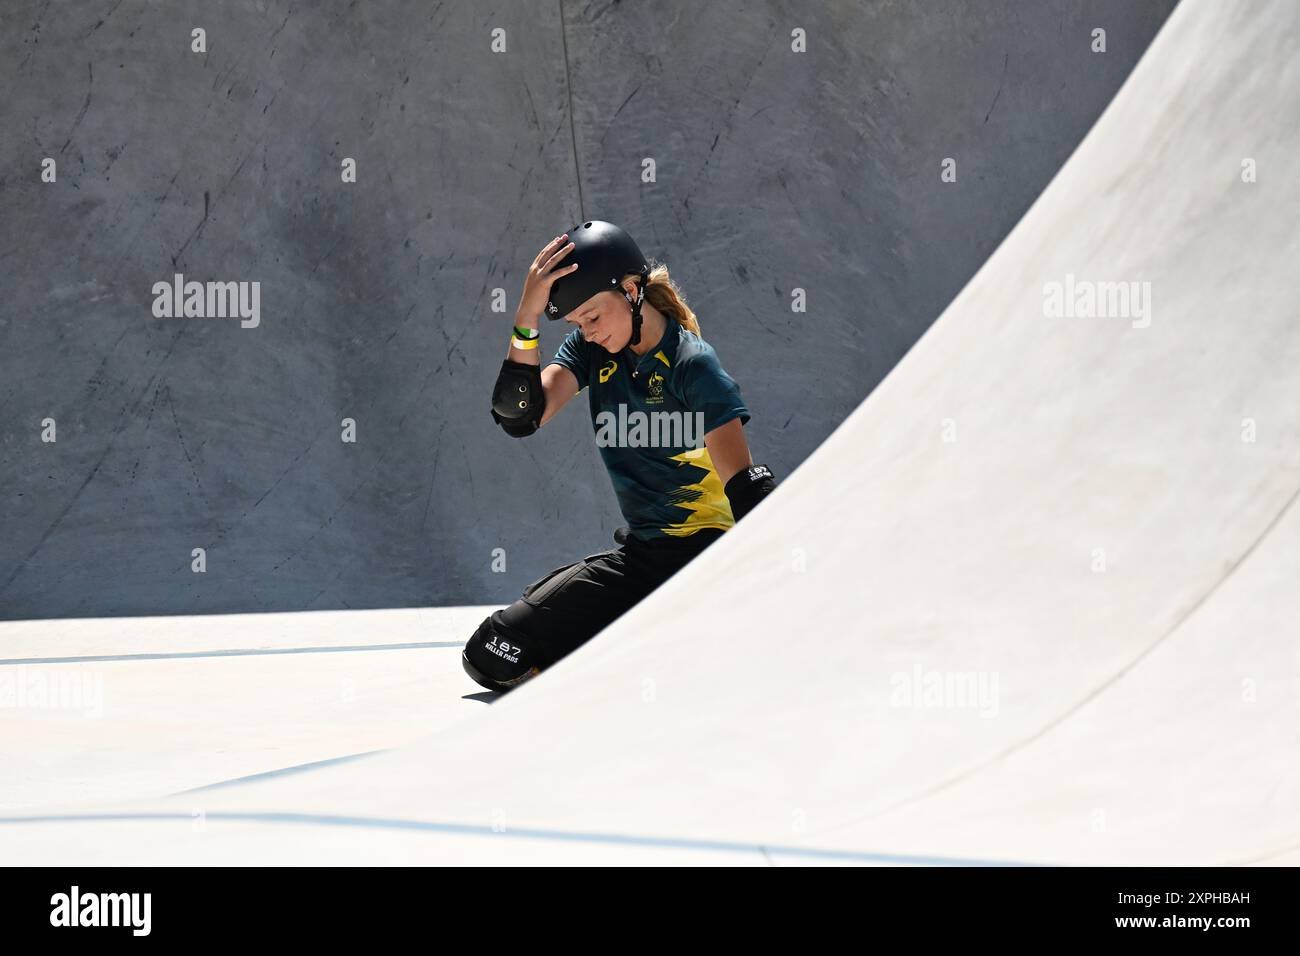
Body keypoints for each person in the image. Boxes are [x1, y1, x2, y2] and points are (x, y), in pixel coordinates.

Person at [462, 220, 776, 692]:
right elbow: (520, 413)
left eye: (592, 317)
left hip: (708, 563)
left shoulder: (692, 364)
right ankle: (632, 658)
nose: (587, 333)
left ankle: (666, 648)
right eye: (576, 325)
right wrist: (526, 316)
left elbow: (744, 488)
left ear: (632, 291)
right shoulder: (593, 354)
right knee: (494, 651)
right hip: (640, 562)